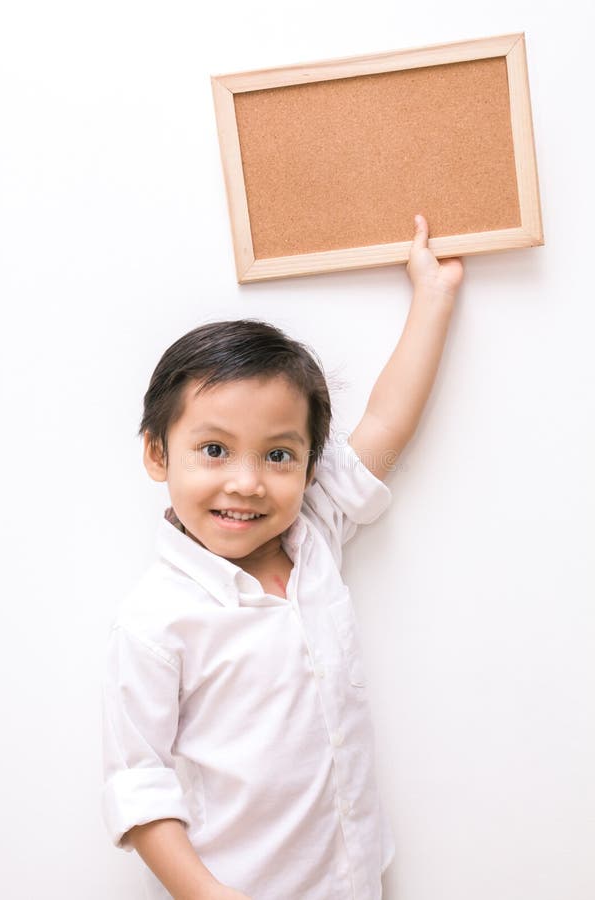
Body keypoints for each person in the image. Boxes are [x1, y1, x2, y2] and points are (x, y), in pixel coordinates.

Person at [101, 215, 464, 900]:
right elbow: (137, 784)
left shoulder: (313, 536)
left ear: (306, 464)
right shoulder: (155, 621)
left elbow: (384, 423)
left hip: (356, 879)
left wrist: (433, 298)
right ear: (157, 454)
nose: (247, 481)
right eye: (214, 450)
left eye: (278, 455)